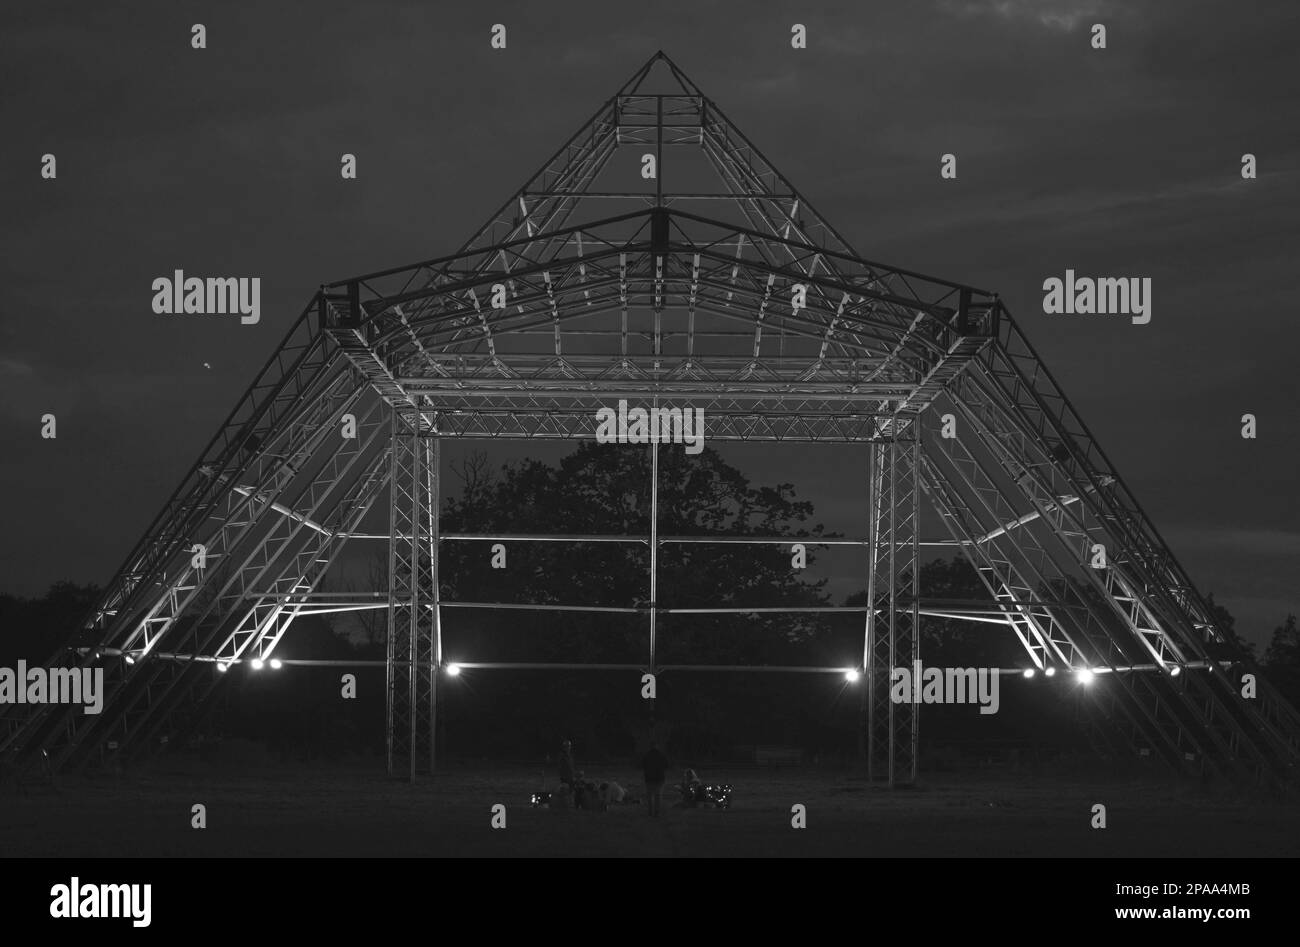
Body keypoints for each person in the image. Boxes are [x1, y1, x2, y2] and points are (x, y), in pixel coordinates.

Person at [642, 741, 670, 817]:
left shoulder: (646, 755)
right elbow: (667, 765)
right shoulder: (661, 755)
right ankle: (657, 812)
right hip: (659, 778)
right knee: (658, 795)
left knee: (650, 796)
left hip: (649, 778)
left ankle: (650, 812)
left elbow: (642, 765)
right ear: (657, 746)